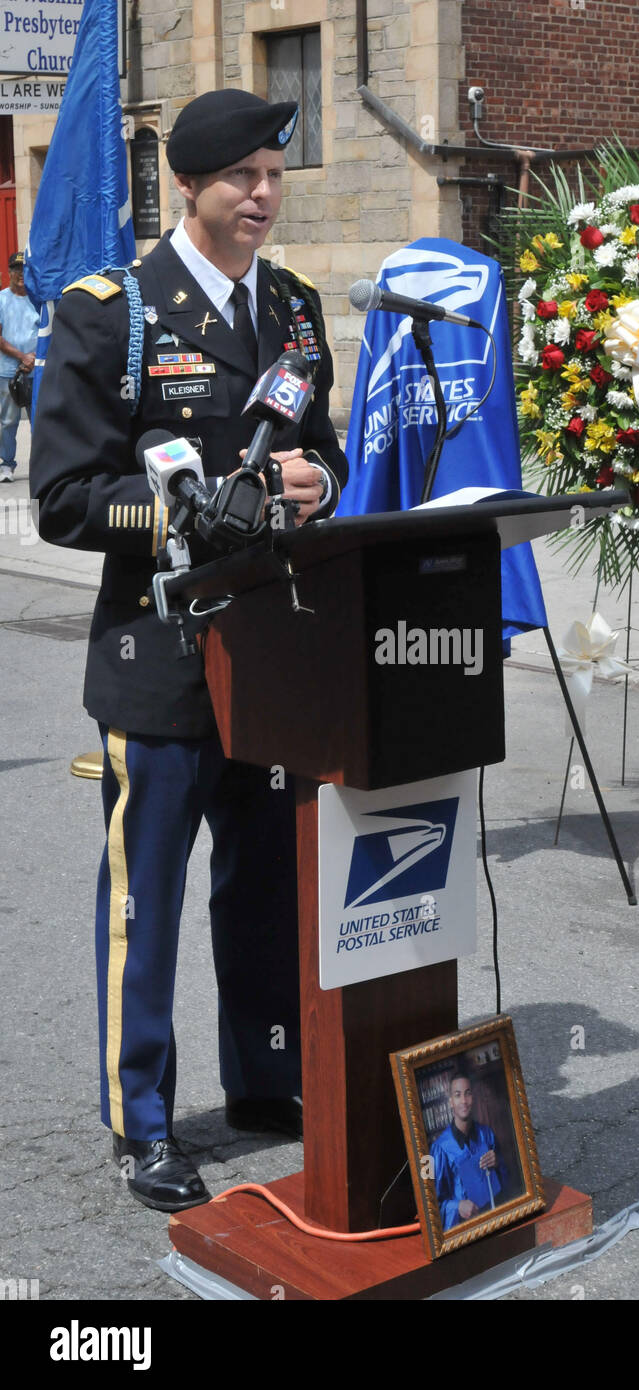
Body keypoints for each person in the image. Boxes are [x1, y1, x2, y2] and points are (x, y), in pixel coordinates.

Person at [29, 89, 348, 1212]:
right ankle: (144, 1119)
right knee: (145, 898)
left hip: (272, 654)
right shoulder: (109, 311)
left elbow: (322, 451)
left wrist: (317, 480)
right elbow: (61, 497)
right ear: (188, 188)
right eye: (241, 180)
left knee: (263, 887)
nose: (264, 196)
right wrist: (187, 512)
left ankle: (265, 1078)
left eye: (274, 174)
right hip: (159, 658)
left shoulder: (295, 306)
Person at [430, 1071, 509, 1230]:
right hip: (463, 1229)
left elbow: (507, 1180)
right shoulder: (439, 1149)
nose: (464, 1101)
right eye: (458, 1095)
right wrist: (457, 1207)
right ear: (451, 1101)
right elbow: (431, 1205)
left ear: (474, 1098)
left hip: (493, 1218)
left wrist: (498, 1163)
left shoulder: (487, 1134)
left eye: (468, 1094)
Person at [0, 250, 39, 481]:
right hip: (8, 372)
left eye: (25, 269)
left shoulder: (38, 299)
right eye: (16, 270)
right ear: (9, 273)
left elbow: (48, 332)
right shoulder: (2, 299)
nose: (20, 274)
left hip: (36, 370)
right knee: (8, 421)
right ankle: (7, 464)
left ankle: (40, 465)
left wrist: (34, 357)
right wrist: (22, 357)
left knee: (39, 420)